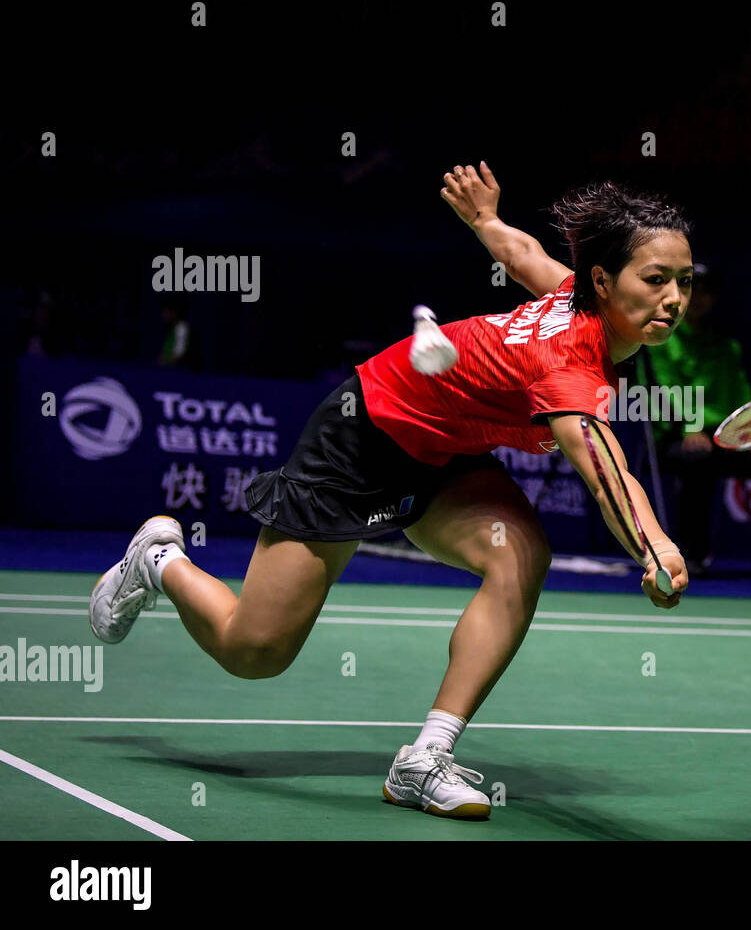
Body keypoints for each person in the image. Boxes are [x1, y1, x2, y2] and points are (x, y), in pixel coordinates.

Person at [89, 163, 691, 819]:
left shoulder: (581, 297)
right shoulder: (570, 362)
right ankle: (158, 559)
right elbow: (605, 470)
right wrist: (656, 547)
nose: (674, 298)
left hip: (444, 450)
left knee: (519, 554)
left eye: (684, 281)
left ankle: (425, 760)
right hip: (366, 435)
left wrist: (486, 219)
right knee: (253, 651)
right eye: (655, 280)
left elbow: (524, 257)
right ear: (604, 282)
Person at [644, 263, 751, 580]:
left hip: (726, 437)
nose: (699, 298)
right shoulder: (661, 338)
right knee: (699, 460)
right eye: (692, 290)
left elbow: (743, 397)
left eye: (707, 292)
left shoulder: (727, 346)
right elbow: (666, 390)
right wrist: (691, 427)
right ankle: (692, 556)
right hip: (676, 437)